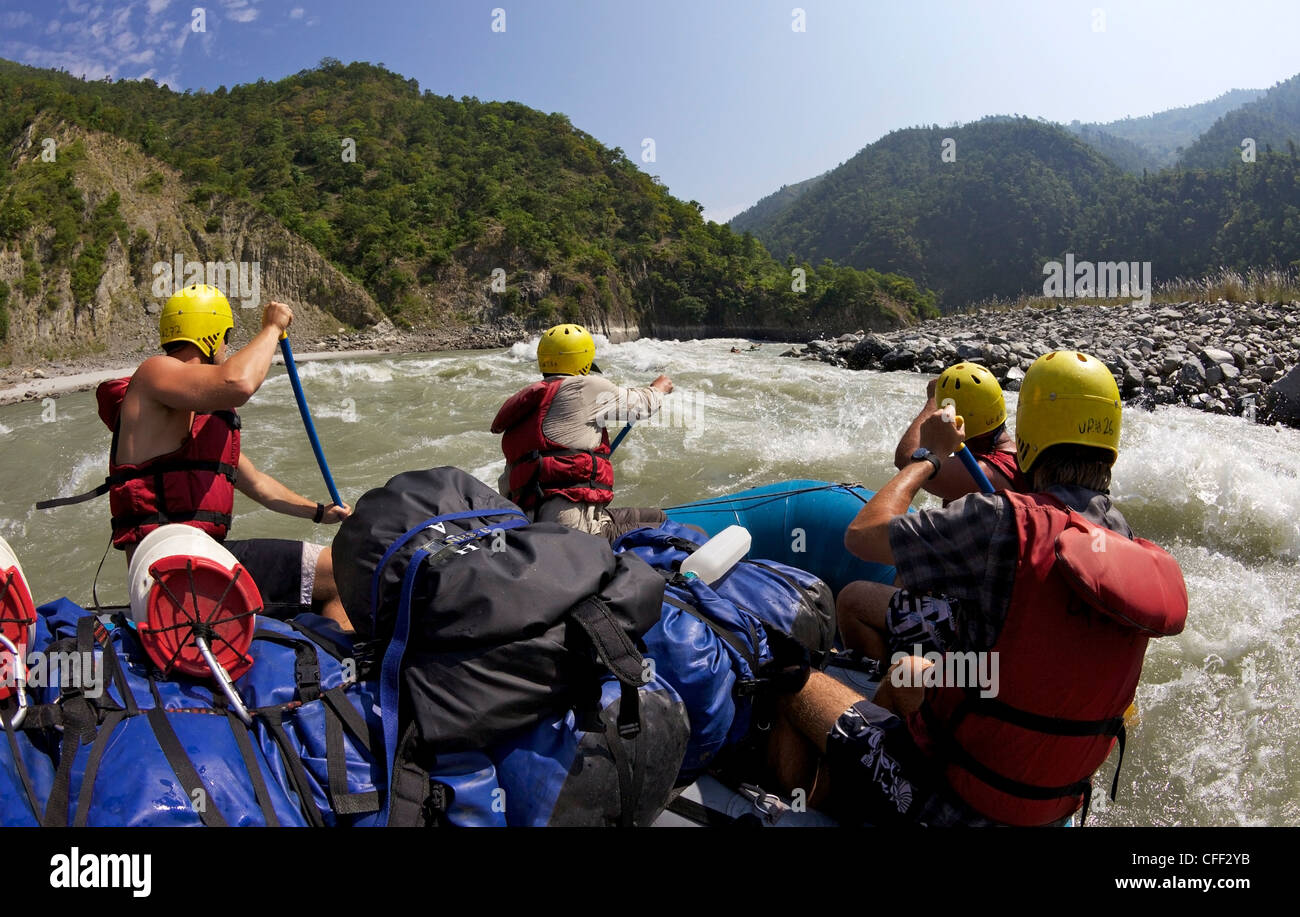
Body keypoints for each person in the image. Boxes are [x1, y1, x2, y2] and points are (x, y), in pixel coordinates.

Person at [770, 350, 1187, 826]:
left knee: (789, 677)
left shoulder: (1001, 521)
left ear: (1030, 432)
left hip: (960, 798)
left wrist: (928, 458)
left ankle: (812, 809)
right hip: (1049, 806)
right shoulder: (1131, 547)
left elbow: (863, 534)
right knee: (907, 673)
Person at [45, 285, 352, 625]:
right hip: (174, 573)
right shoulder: (153, 375)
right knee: (342, 575)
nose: (226, 347)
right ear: (211, 335)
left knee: (333, 568)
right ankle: (341, 669)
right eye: (226, 337)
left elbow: (259, 485)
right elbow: (239, 383)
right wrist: (271, 328)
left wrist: (321, 512)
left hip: (200, 564)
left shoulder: (193, 416)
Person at [839, 362, 1028, 659]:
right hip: (991, 595)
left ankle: (885, 686)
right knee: (905, 575)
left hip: (974, 619)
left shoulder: (983, 473)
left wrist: (933, 402)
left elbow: (908, 460)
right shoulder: (1014, 454)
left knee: (852, 601)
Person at [491, 323, 674, 542]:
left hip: (532, 526)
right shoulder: (584, 387)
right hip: (576, 532)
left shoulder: (530, 404)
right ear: (584, 362)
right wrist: (659, 388)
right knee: (672, 533)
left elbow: (508, 483)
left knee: (659, 516)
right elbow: (642, 404)